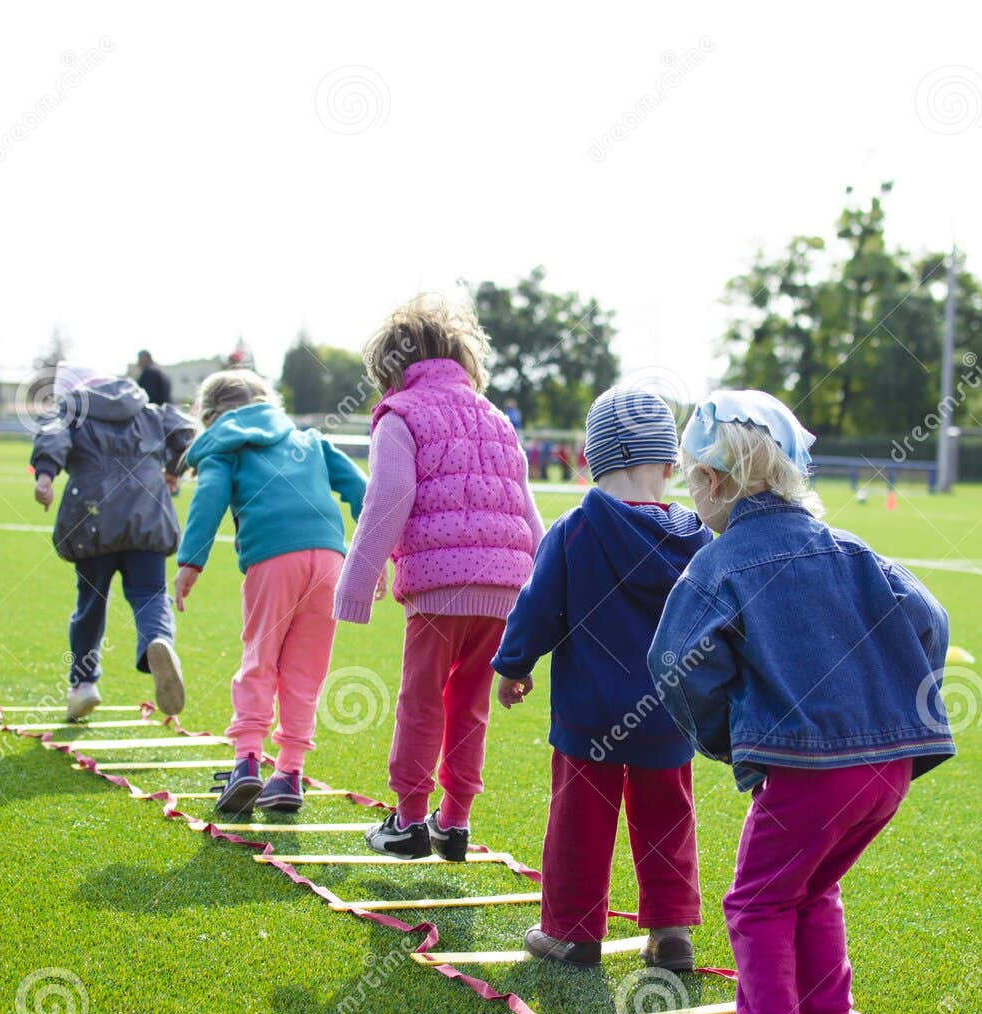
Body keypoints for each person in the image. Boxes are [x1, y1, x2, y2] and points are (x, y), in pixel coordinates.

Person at [650, 391, 955, 1014]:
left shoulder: (718, 563)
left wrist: (732, 737)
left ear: (712, 480)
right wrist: (895, 701)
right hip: (889, 769)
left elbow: (674, 663)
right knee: (813, 891)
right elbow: (931, 619)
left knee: (757, 901)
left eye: (691, 479)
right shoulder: (851, 549)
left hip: (810, 772)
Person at [493, 385, 709, 971]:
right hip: (670, 714)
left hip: (590, 716)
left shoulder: (573, 530)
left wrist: (513, 666)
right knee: (667, 821)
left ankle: (573, 931)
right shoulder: (699, 539)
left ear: (590, 458)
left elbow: (537, 608)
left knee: (579, 823)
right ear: (669, 464)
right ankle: (670, 932)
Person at [334, 293, 543, 860]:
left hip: (439, 583)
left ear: (390, 368)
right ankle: (454, 821)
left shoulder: (400, 415)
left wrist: (356, 584)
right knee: (469, 704)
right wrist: (546, 597)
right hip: (506, 587)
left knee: (421, 700)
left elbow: (390, 497)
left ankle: (406, 821)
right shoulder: (497, 418)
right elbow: (527, 510)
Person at [174, 369, 367, 814]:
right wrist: (376, 552)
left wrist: (191, 560)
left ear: (211, 415)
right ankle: (289, 773)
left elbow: (210, 497)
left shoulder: (226, 446)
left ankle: (246, 763)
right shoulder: (310, 441)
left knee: (260, 658)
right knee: (306, 669)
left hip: (273, 557)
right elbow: (363, 490)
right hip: (330, 561)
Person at [31, 362, 196, 721]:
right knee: (150, 593)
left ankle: (83, 684)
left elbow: (52, 435)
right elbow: (186, 432)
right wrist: (173, 470)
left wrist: (45, 475)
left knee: (91, 601)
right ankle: (159, 641)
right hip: (148, 516)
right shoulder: (147, 409)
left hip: (93, 519)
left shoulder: (72, 411)